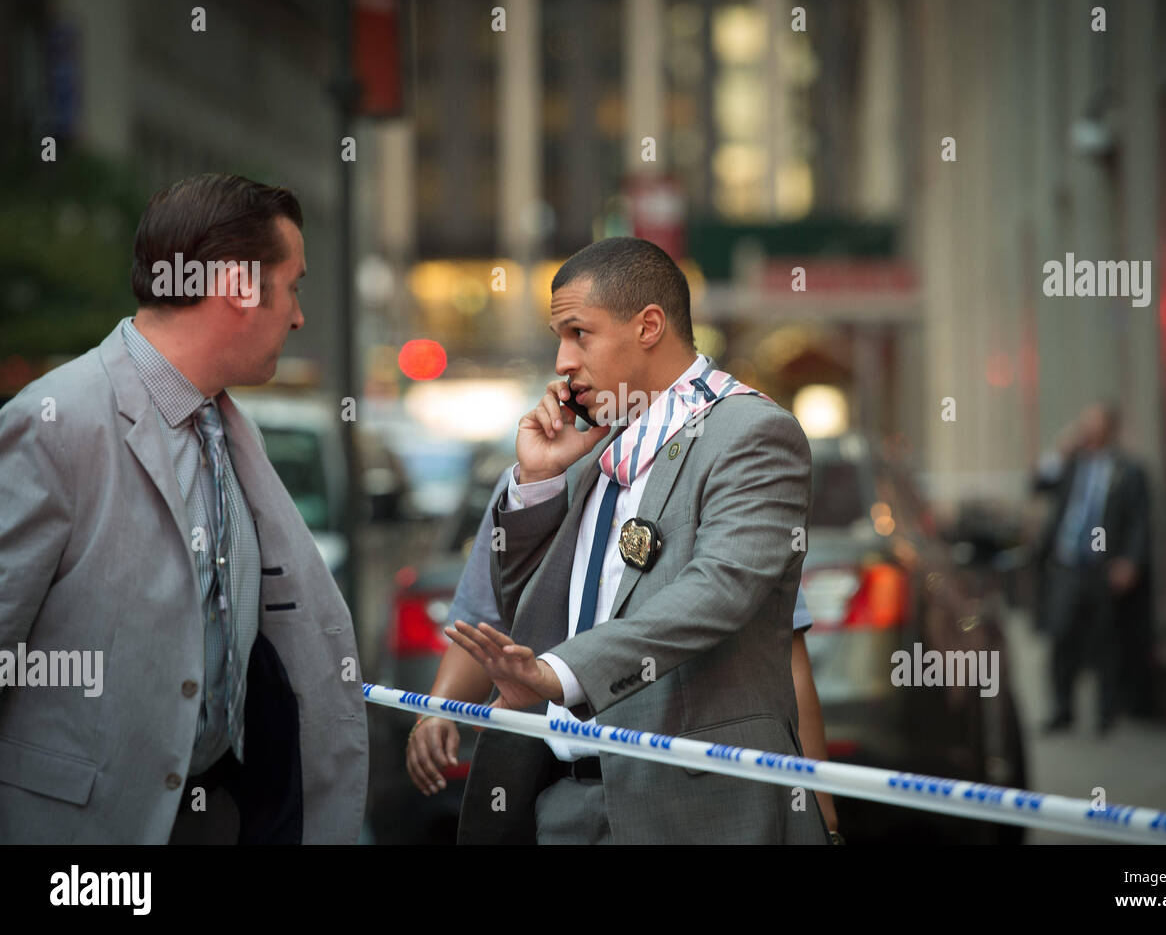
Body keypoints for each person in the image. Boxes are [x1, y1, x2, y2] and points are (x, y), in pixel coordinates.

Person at [0, 173, 368, 843]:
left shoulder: (225, 424)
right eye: (294, 285)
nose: (298, 314)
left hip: (212, 817)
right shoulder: (56, 422)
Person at [443, 236, 828, 844]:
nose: (562, 362)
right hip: (566, 803)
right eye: (558, 338)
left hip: (699, 812)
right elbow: (532, 612)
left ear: (649, 325)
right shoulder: (592, 444)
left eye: (579, 334)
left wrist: (560, 673)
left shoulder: (751, 432)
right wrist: (540, 481)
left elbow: (718, 591)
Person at [406, 465, 842, 837]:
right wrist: (437, 711)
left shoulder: (716, 467)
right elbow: (486, 620)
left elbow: (785, 655)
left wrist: (821, 815)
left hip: (689, 797)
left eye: (585, 357)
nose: (567, 365)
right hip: (566, 795)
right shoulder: (534, 482)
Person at [1032, 402, 1152, 736]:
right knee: (1061, 636)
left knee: (1105, 643)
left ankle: (1105, 714)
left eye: (1094, 422)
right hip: (1068, 563)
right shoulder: (1070, 464)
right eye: (1085, 421)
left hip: (1104, 567)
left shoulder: (1127, 471)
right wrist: (1059, 450)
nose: (1087, 427)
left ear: (1109, 428)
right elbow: (1037, 484)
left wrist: (1130, 560)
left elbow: (1139, 522)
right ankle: (1061, 709)